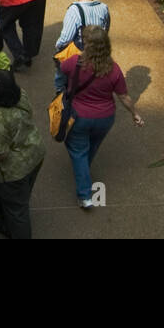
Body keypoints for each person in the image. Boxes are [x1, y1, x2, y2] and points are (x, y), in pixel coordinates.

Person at [58, 26, 143, 208]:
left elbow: (61, 69)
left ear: (88, 45)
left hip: (79, 116)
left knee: (78, 150)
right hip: (105, 118)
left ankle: (85, 195)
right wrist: (135, 114)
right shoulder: (114, 69)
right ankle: (84, 172)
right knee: (92, 147)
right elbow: (124, 97)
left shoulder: (75, 62)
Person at [0, 68, 44, 239]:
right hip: (34, 152)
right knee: (20, 199)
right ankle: (10, 222)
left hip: (13, 171)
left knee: (17, 211)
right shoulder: (20, 94)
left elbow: (0, 154)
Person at [53, 0, 112, 93]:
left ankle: (61, 93)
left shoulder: (74, 10)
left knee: (62, 72)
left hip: (80, 52)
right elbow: (105, 30)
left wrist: (58, 47)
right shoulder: (103, 8)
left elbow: (66, 38)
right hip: (96, 50)